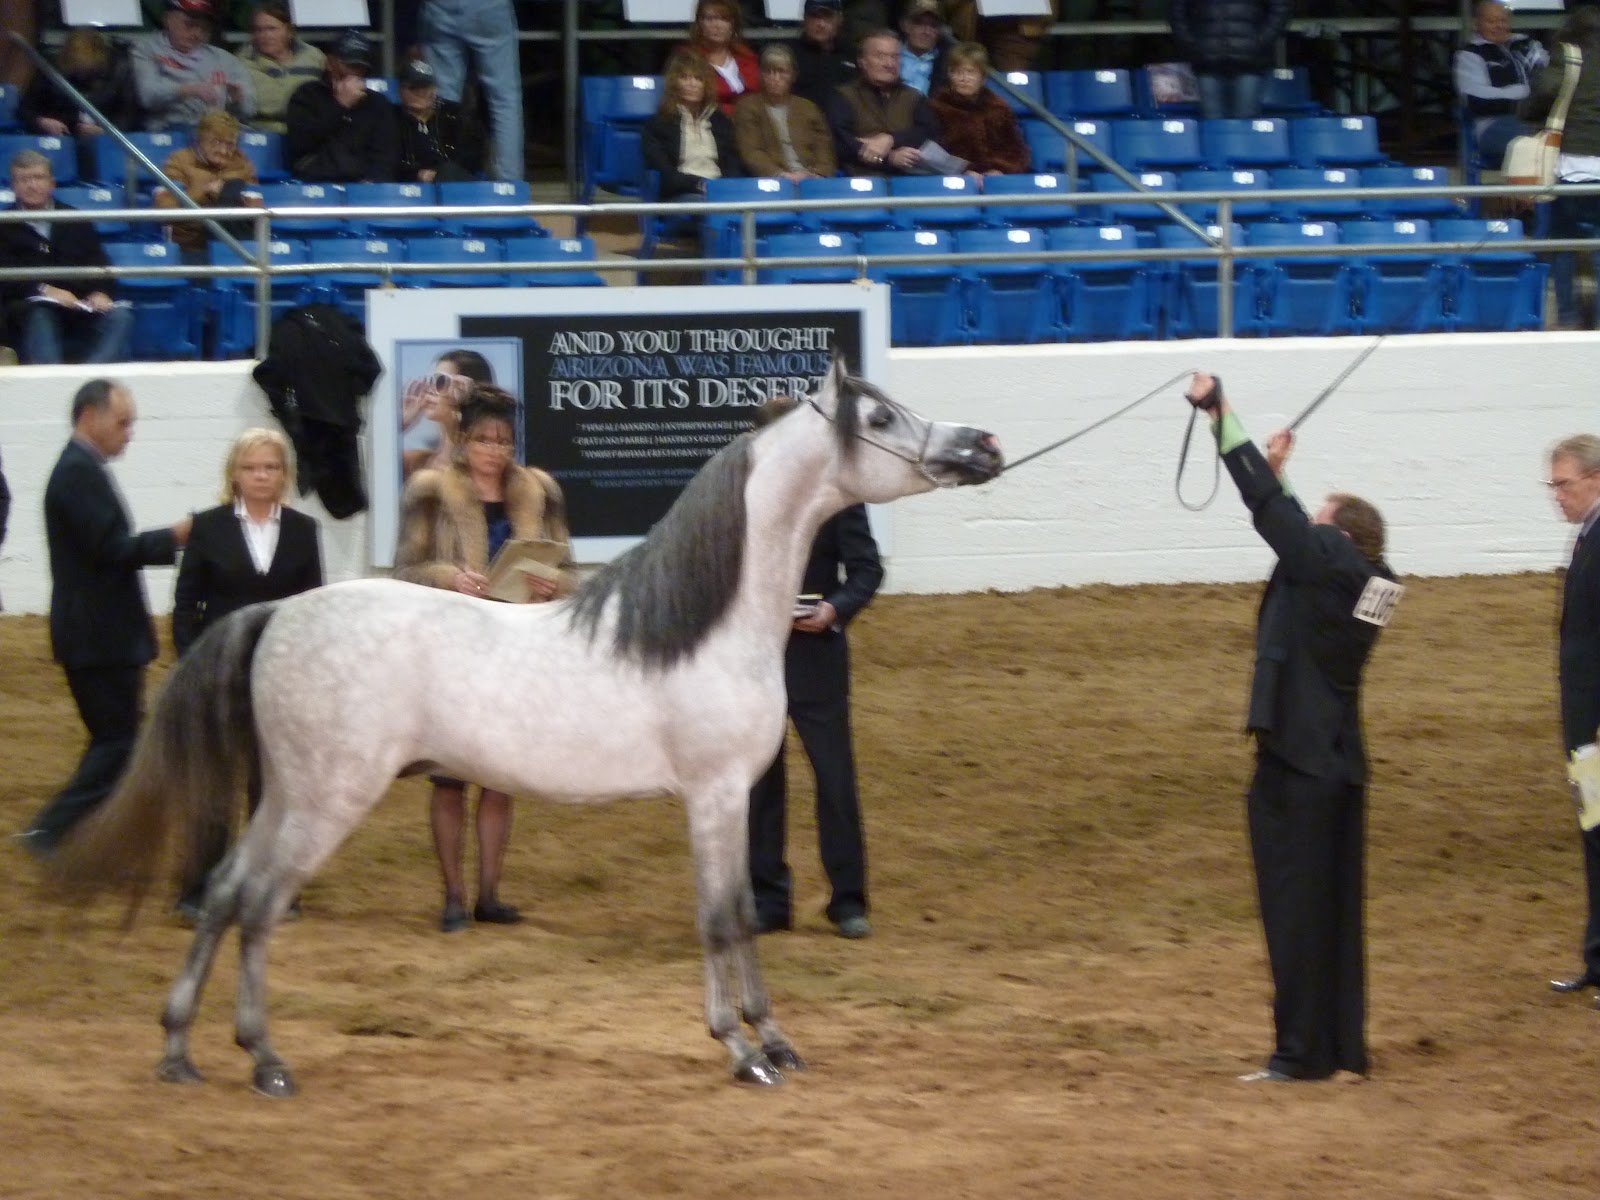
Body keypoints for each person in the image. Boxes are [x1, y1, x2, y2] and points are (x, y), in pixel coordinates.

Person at [1183, 371, 1399, 1083]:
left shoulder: (1330, 560)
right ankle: (1339, 1047)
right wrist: (1280, 480)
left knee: (1296, 912)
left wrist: (1223, 418)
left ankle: (1300, 1054)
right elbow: (1289, 528)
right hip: (1338, 761)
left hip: (1298, 764)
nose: (1303, 528)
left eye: (1317, 522)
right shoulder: (1362, 581)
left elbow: (1276, 516)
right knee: (1336, 914)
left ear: (1339, 536)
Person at [394, 385, 572, 933]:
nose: (495, 450)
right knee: (450, 777)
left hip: (519, 649)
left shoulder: (539, 491)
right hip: (455, 649)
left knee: (500, 777)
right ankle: (453, 895)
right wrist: (451, 577)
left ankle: (490, 894)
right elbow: (404, 570)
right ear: (464, 440)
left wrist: (554, 585)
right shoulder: (430, 488)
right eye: (484, 440)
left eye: (504, 440)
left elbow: (569, 568)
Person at [19, 380, 191, 857]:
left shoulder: (80, 468)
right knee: (117, 742)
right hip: (99, 635)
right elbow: (112, 551)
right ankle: (53, 830)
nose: (129, 433)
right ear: (89, 418)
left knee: (116, 741)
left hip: (96, 632)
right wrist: (174, 536)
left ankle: (76, 831)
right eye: (123, 423)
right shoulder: (78, 473)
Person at [170, 428, 323, 920]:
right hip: (217, 676)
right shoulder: (209, 528)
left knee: (273, 786)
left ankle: (271, 887)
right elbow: (184, 604)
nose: (261, 476)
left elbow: (310, 609)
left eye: (271, 468)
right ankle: (200, 889)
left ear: (284, 475)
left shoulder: (303, 530)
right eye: (251, 468)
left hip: (279, 680)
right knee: (213, 784)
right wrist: (193, 664)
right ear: (234, 475)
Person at [747, 395, 883, 941]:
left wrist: (832, 610)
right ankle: (766, 899)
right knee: (761, 782)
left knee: (834, 778)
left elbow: (867, 570)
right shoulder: (743, 495)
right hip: (757, 654)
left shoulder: (838, 499)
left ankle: (848, 901)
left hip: (816, 653)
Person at [1544, 434, 1600, 1005]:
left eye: (1564, 484)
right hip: (1588, 733)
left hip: (1598, 730)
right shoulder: (1588, 537)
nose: (1556, 496)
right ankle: (1597, 960)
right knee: (1595, 832)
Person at [0, 150, 133, 366]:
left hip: (78, 306)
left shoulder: (75, 219)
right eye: (24, 179)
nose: (31, 185)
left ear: (52, 183)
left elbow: (100, 264)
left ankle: (88, 379)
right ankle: (51, 384)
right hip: (29, 310)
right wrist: (44, 290)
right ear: (13, 186)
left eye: (38, 178)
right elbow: (5, 279)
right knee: (39, 313)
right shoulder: (3, 224)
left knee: (121, 317)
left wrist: (100, 292)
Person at [1522, 6, 1600, 330]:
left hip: (1572, 161)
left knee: (1563, 239)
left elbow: (1543, 93)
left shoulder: (1568, 54)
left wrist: (1526, 114)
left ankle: (1567, 316)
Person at [421, 0, 525, 182]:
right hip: (489, 7)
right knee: (504, 101)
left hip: (440, 6)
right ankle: (509, 188)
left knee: (444, 100)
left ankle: (444, 181)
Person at [18, 28, 142, 178]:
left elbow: (131, 114)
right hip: (62, 138)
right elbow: (25, 109)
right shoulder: (51, 69)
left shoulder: (119, 69)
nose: (82, 74)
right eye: (77, 69)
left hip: (105, 141)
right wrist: (43, 121)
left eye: (88, 69)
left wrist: (105, 130)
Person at [285, 30, 400, 184]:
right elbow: (301, 144)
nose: (354, 72)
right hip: (316, 182)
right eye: (349, 65)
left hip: (364, 186)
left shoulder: (378, 103)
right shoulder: (307, 95)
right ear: (330, 62)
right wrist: (340, 105)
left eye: (360, 67)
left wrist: (374, 181)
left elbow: (385, 155)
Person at [152, 109, 261, 262]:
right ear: (201, 139)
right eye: (216, 142)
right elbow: (164, 208)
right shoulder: (178, 161)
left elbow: (257, 211)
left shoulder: (242, 163)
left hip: (234, 243)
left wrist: (223, 192)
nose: (223, 150)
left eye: (230, 145)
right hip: (191, 247)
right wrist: (203, 191)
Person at [828, 28, 941, 176]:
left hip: (911, 180)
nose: (889, 63)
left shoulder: (914, 97)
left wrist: (890, 139)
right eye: (880, 56)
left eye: (895, 57)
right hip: (862, 180)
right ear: (862, 62)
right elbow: (841, 144)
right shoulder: (844, 96)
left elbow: (929, 133)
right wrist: (890, 158)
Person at [132, 0, 257, 131]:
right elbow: (148, 96)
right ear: (168, 20)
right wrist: (189, 90)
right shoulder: (146, 50)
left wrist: (238, 99)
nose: (197, 33)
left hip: (217, 130)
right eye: (189, 25)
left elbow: (249, 110)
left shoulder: (225, 59)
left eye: (204, 27)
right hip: (167, 130)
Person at [1456, 1, 1550, 167]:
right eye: (1491, 21)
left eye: (1502, 21)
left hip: (1540, 119)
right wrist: (1524, 93)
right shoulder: (1470, 54)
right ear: (1477, 24)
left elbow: (1549, 78)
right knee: (1530, 142)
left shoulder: (1528, 45)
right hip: (1493, 124)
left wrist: (1515, 95)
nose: (1497, 26)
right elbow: (1477, 101)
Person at [1168, 0, 1293, 121]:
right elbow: (1176, 11)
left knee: (1246, 124)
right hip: (1208, 61)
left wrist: (1260, 42)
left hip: (1249, 62)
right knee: (1213, 126)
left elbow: (1280, 8)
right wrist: (1194, 44)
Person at [643, 53, 741, 201]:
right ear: (674, 83)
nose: (692, 84)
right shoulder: (659, 124)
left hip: (720, 192)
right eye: (684, 78)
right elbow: (664, 172)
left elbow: (732, 163)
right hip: (682, 194)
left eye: (698, 78)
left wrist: (722, 187)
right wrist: (698, 184)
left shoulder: (720, 121)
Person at [732, 45, 837, 181]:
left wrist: (818, 173)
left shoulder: (808, 108)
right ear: (760, 74)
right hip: (772, 180)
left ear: (793, 75)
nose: (775, 78)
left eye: (782, 72)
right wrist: (781, 175)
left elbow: (824, 148)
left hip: (812, 178)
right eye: (768, 72)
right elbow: (751, 151)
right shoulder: (748, 106)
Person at [929, 41, 1029, 177]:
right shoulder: (937, 107)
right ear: (950, 75)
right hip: (953, 178)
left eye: (970, 73)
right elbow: (933, 154)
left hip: (995, 178)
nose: (964, 79)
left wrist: (1000, 170)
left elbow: (1016, 151)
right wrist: (963, 172)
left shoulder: (998, 108)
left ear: (982, 77)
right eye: (958, 72)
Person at [234, 1, 326, 135]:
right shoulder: (240, 63)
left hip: (309, 135)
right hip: (260, 134)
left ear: (289, 31)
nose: (265, 36)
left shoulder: (315, 57)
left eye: (272, 29)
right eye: (259, 30)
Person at [400, 347, 493, 478]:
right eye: (430, 380)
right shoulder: (415, 461)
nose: (430, 389)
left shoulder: (486, 465)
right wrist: (401, 424)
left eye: (440, 381)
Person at [395, 58, 488, 184]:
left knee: (449, 171)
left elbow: (474, 156)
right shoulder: (391, 118)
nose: (422, 92)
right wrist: (417, 173)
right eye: (415, 87)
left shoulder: (455, 114)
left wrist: (438, 173)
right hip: (410, 187)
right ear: (401, 90)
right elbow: (388, 162)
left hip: (456, 183)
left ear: (435, 89)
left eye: (427, 87)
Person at [675, 0, 762, 117]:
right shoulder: (688, 58)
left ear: (733, 25)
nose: (717, 25)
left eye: (724, 19)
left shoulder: (747, 58)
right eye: (710, 19)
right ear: (700, 23)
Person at [793, 0, 856, 109]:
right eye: (814, 16)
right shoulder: (789, 55)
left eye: (827, 17)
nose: (821, 24)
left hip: (847, 122)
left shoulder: (853, 54)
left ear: (839, 19)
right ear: (804, 19)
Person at [898, 0, 948, 97]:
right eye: (919, 23)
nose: (926, 31)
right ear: (905, 25)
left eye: (933, 25)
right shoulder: (891, 56)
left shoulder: (947, 62)